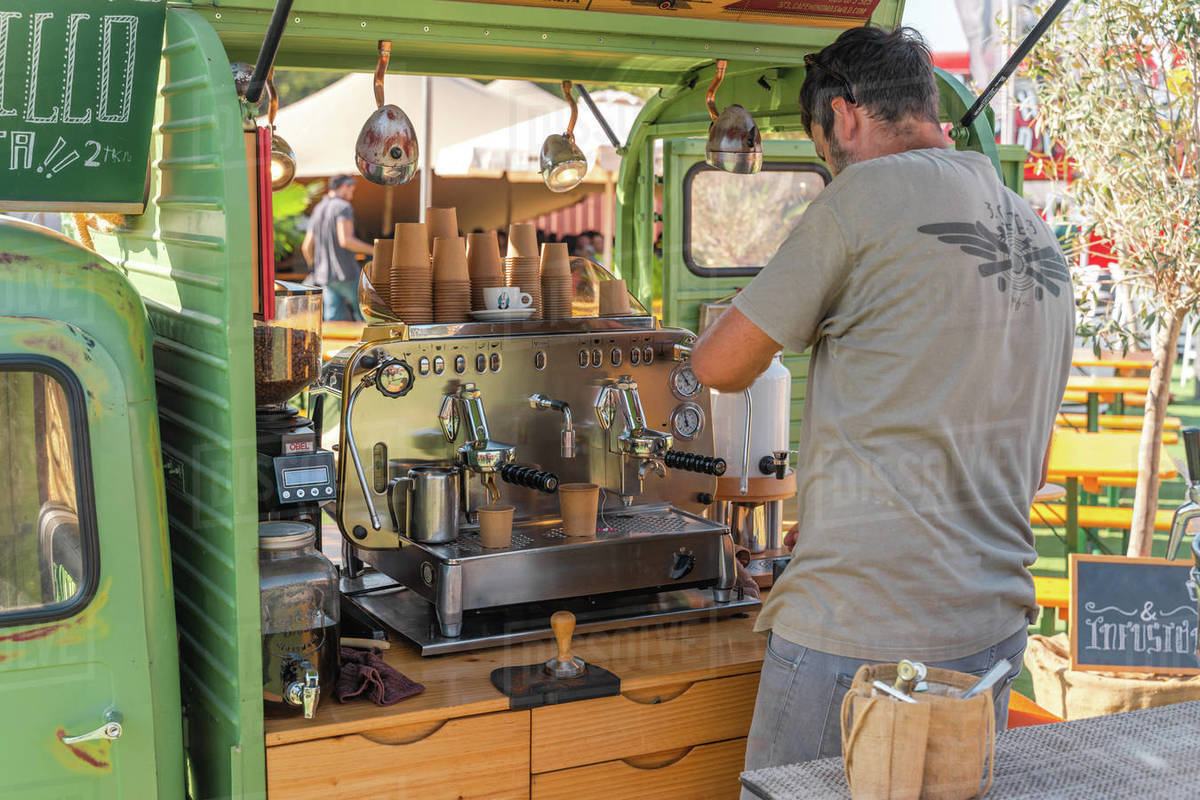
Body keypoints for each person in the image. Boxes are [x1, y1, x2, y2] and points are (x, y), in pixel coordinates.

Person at [688, 26, 1074, 778]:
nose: (831, 163)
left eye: (822, 145)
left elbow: (719, 363)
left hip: (861, 629)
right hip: (990, 630)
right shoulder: (1034, 233)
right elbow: (1016, 462)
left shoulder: (862, 196)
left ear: (845, 116)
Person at [301, 175, 374, 321]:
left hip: (325, 277)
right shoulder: (343, 207)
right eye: (351, 190)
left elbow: (306, 246)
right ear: (345, 186)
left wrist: (314, 266)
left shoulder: (318, 209)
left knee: (333, 320)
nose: (352, 196)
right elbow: (346, 241)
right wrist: (375, 250)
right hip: (346, 272)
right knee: (367, 316)